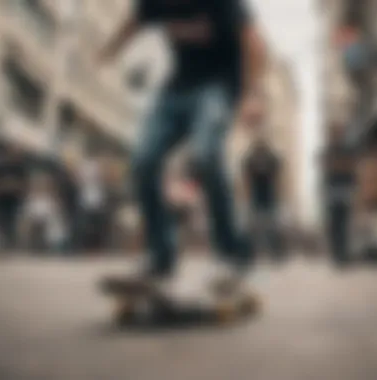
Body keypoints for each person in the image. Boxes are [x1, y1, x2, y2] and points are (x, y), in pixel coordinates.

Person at [96, 0, 266, 291]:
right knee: (142, 162)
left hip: (217, 88)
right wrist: (108, 51)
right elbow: (132, 24)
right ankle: (160, 257)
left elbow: (253, 43)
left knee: (205, 156)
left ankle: (232, 254)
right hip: (174, 90)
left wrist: (252, 94)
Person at [243, 135, 285, 262]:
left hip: (269, 197)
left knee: (272, 227)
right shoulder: (251, 159)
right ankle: (253, 252)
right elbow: (246, 176)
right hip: (256, 198)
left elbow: (278, 173)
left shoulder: (271, 158)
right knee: (255, 228)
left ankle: (274, 253)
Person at [322, 124, 357, 267]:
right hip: (332, 190)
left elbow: (350, 168)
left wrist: (337, 166)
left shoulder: (347, 149)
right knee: (334, 224)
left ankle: (342, 254)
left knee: (343, 223)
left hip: (344, 189)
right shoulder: (328, 150)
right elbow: (327, 167)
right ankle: (337, 254)